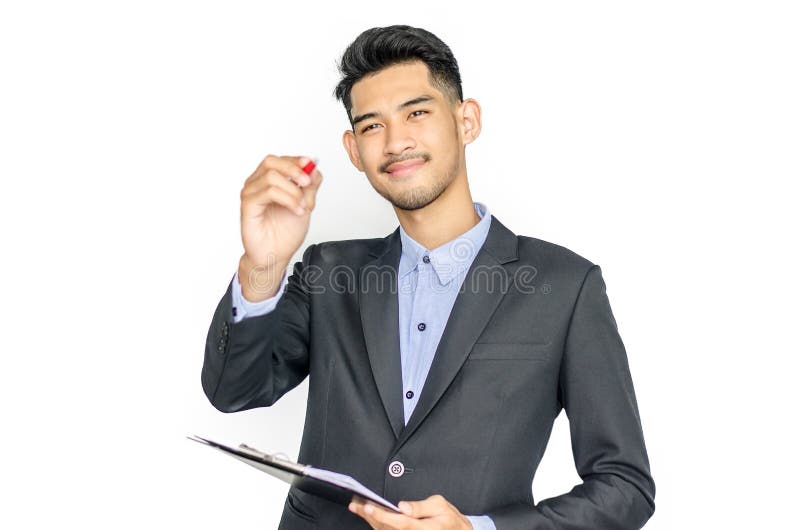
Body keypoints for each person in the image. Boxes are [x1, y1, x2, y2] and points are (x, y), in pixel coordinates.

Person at [201, 25, 655, 530]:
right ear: (354, 150)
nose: (396, 142)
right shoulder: (330, 272)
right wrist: (261, 266)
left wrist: (479, 529)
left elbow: (624, 486)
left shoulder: (566, 286)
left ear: (467, 121)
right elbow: (233, 392)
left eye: (417, 112)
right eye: (372, 126)